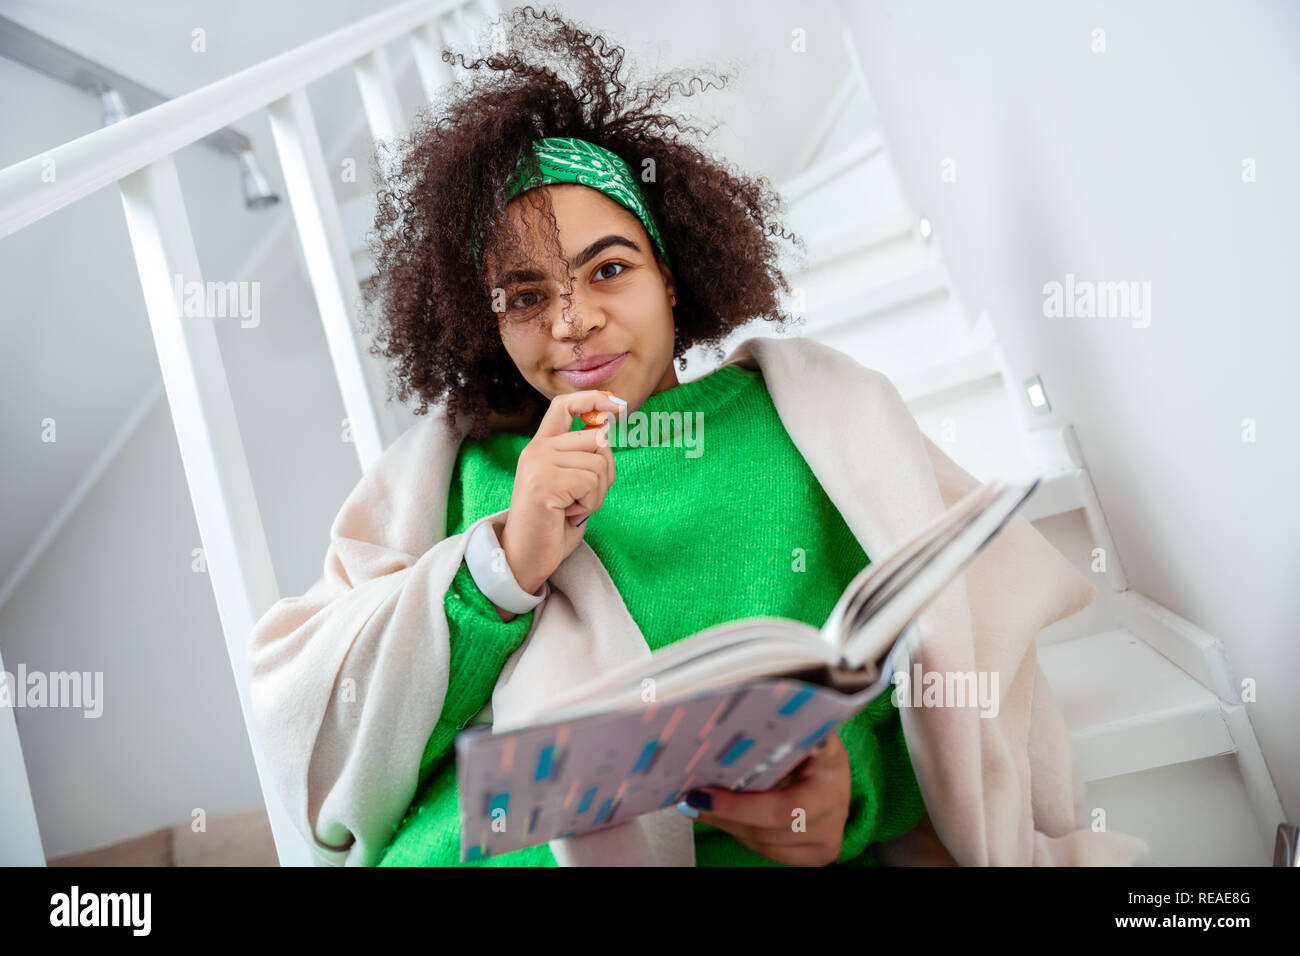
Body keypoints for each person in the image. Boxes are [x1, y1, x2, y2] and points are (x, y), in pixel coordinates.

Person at [347, 7, 933, 867]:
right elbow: (387, 755)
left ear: (671, 271)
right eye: (525, 297)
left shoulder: (801, 427)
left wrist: (853, 792)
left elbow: (932, 680)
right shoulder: (468, 473)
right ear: (490, 324)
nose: (574, 322)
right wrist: (506, 566)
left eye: (609, 270)